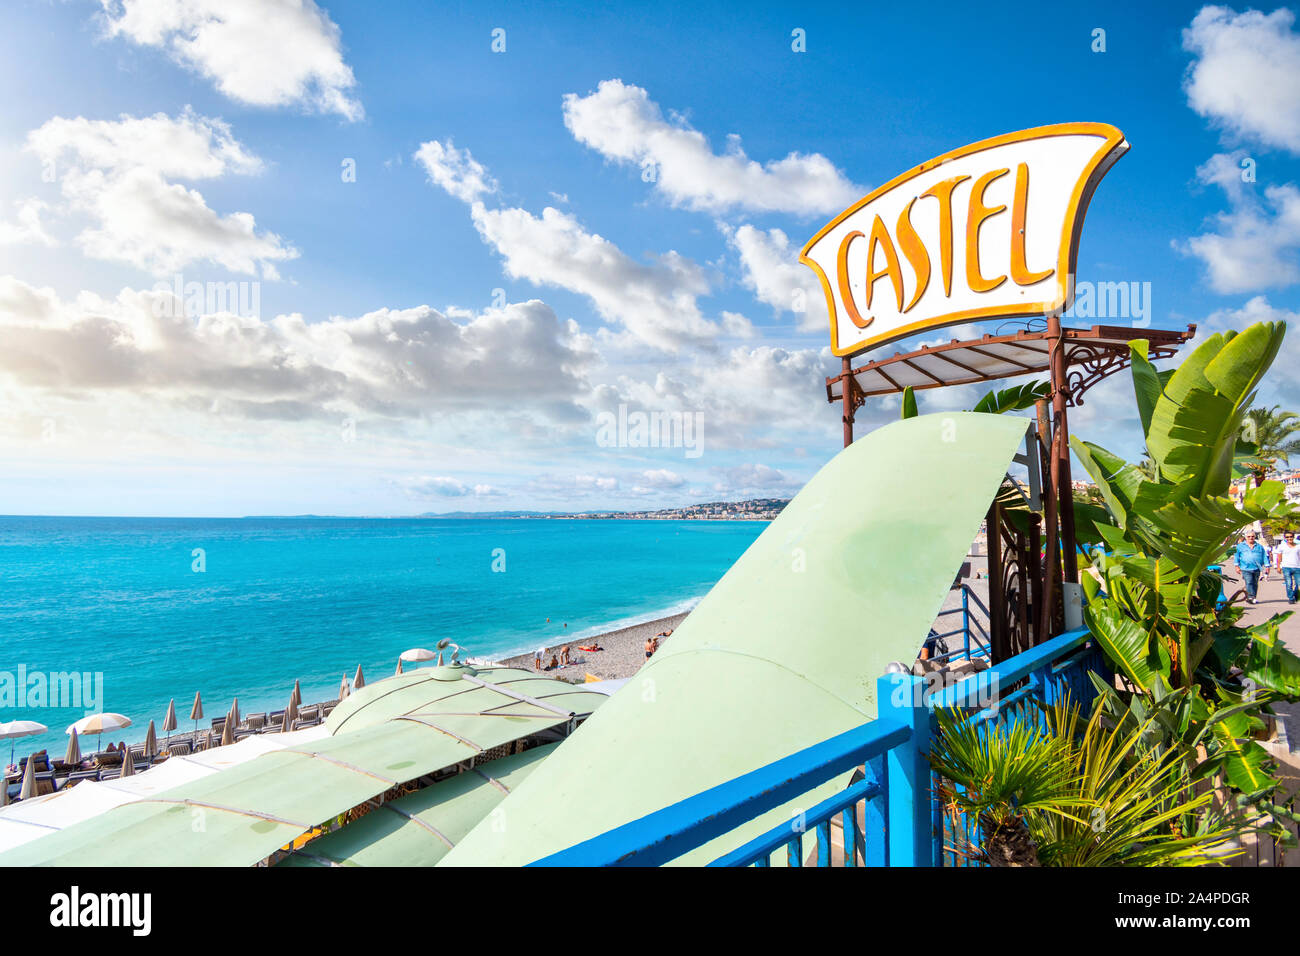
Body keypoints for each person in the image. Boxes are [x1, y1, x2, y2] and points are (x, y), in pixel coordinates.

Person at [1234, 530, 1267, 604]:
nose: (1251, 538)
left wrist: (1267, 566)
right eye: (1249, 536)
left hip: (1257, 568)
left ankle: (1253, 597)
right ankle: (1250, 597)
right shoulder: (1240, 546)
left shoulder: (1259, 546)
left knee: (1255, 583)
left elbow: (1264, 556)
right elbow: (1236, 556)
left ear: (1255, 537)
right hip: (1245, 568)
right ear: (1246, 537)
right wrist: (1237, 566)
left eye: (1252, 536)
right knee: (1249, 582)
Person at [1277, 531, 1300, 604]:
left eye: (1290, 536)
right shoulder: (1282, 546)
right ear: (1285, 538)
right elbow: (1279, 557)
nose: (1289, 538)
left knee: (1298, 584)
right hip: (1286, 567)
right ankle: (1291, 598)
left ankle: (1295, 595)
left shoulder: (1298, 546)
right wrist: (1278, 566)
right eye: (1287, 537)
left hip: (1297, 567)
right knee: (1289, 583)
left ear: (1293, 537)